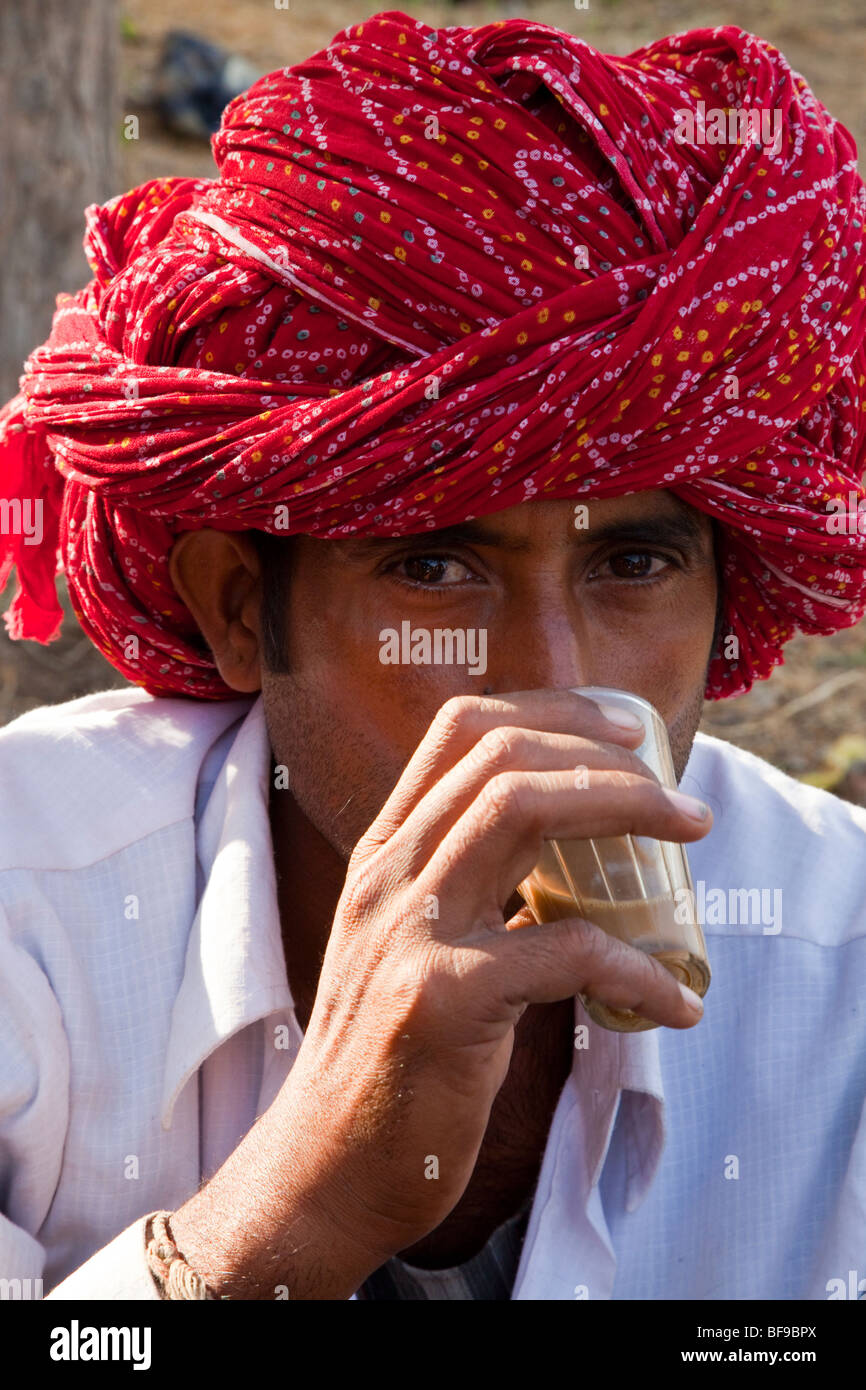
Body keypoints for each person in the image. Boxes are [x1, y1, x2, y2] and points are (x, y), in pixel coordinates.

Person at [1, 11, 865, 1302]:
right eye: (435, 568)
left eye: (631, 565)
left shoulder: (836, 960)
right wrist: (280, 1217)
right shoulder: (32, 904)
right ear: (242, 606)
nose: (549, 679)